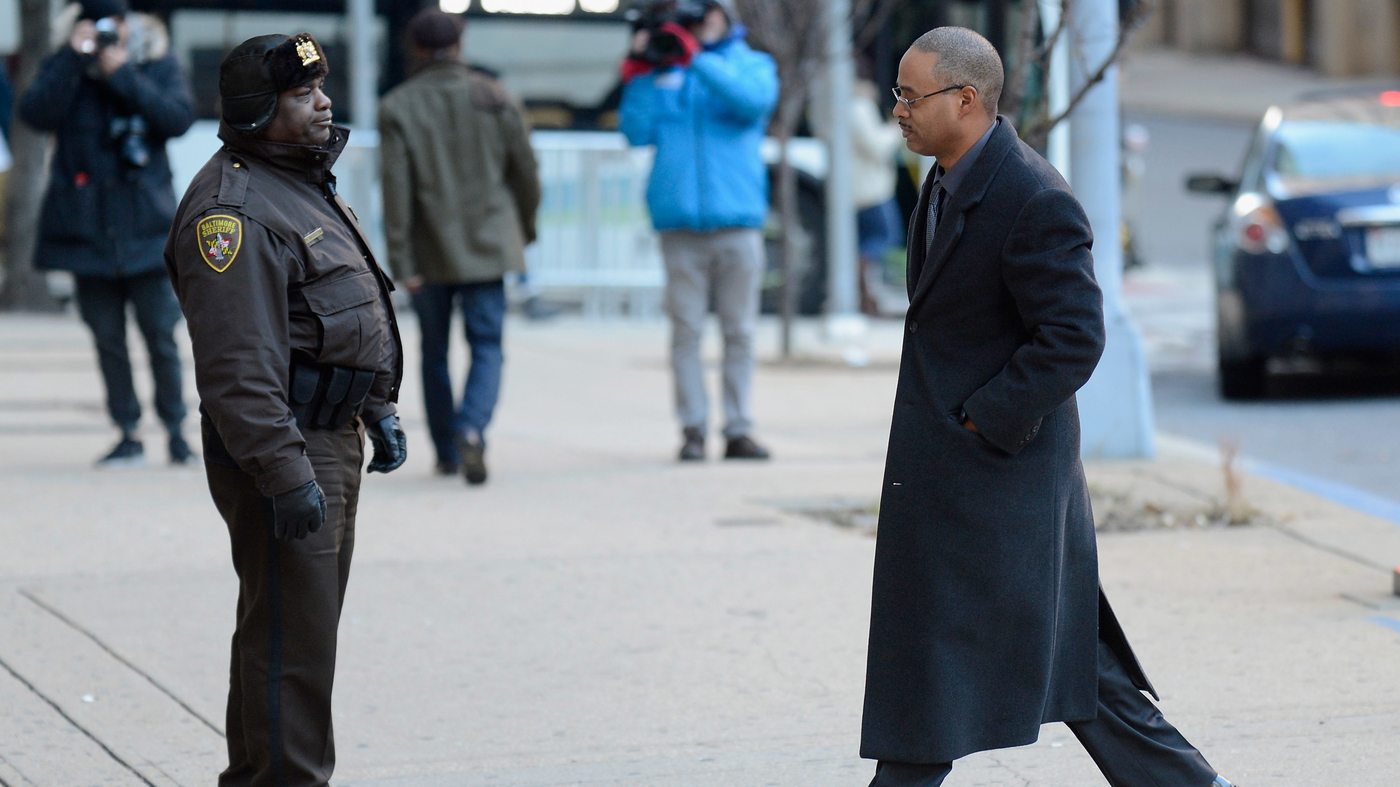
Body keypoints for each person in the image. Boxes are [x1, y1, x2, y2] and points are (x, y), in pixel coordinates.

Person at [860, 28, 1235, 787]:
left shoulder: (1032, 198)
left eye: (909, 94)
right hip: (959, 489)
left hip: (1002, 487)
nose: (895, 109)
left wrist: (982, 418)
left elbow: (1073, 338)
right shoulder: (943, 178)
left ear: (966, 101)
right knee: (1056, 668)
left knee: (979, 669)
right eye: (896, 92)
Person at [164, 33, 406, 786]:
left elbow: (338, 309)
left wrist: (377, 403)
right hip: (285, 447)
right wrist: (282, 471)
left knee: (300, 636)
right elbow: (239, 366)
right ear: (256, 110)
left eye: (321, 88)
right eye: (302, 95)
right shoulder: (231, 212)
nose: (323, 102)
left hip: (326, 438)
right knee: (289, 644)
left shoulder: (301, 183)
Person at [19, 0, 195, 467]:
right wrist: (73, 60)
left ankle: (177, 431)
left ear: (128, 23)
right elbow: (35, 114)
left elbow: (177, 118)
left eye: (113, 22)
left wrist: (123, 75)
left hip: (147, 227)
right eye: (94, 22)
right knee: (107, 338)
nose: (105, 32)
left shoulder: (154, 58)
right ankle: (128, 431)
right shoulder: (66, 62)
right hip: (86, 229)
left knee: (161, 333)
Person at [379, 8, 541, 485]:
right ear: (461, 44)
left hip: (428, 253)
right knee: (487, 345)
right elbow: (526, 175)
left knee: (433, 352)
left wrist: (400, 259)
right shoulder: (496, 97)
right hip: (490, 244)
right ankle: (473, 427)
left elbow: (396, 192)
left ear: (415, 49)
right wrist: (523, 231)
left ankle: (447, 451)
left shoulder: (399, 106)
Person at [618, 0, 778, 462]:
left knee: (740, 330)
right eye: (691, 18)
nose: (699, 24)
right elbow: (635, 130)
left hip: (738, 221)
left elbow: (754, 103)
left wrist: (698, 60)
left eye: (709, 12)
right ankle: (692, 429)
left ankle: (738, 428)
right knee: (686, 331)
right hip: (680, 224)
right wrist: (639, 72)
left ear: (727, 17)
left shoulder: (751, 64)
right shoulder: (663, 72)